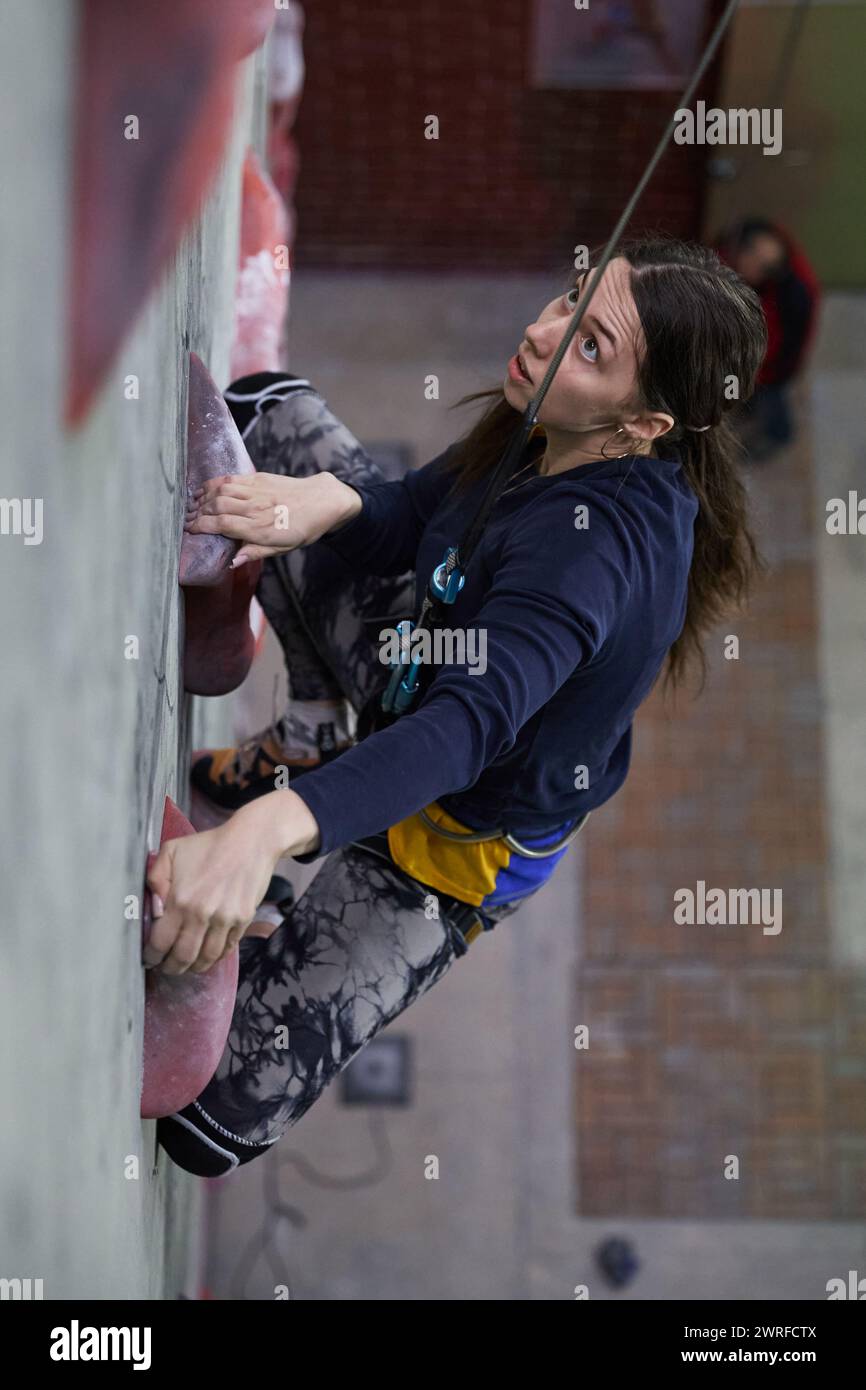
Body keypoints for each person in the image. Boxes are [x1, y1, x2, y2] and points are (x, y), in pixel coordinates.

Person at [149, 237, 767, 1176]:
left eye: (589, 342)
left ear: (645, 424)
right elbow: (413, 520)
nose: (542, 331)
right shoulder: (548, 422)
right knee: (265, 416)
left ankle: (298, 824)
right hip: (423, 663)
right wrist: (333, 507)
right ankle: (316, 737)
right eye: (568, 299)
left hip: (455, 833)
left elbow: (462, 738)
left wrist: (258, 837)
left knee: (205, 1123)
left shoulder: (585, 561)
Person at [715, 217, 820, 461]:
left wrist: (754, 368)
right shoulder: (738, 241)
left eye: (761, 267)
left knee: (772, 402)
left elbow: (777, 344)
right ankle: (747, 408)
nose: (750, 270)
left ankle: (778, 435)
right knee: (749, 394)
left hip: (773, 369)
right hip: (758, 365)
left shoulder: (792, 294)